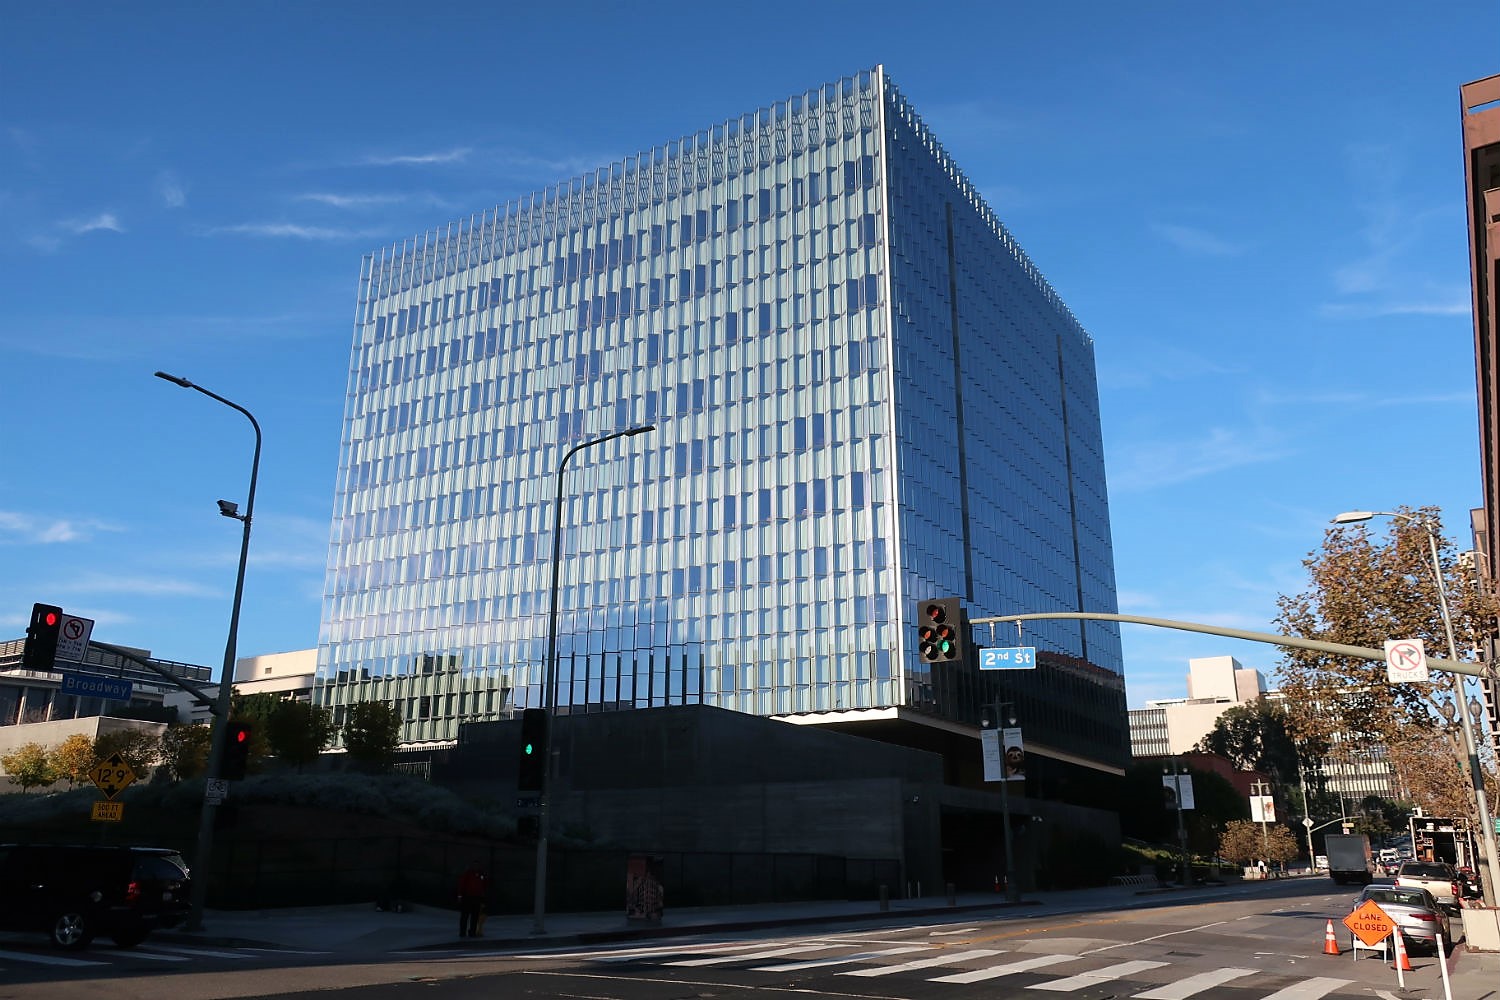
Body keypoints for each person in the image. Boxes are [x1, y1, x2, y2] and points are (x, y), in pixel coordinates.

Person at [456, 859, 488, 937]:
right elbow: (461, 884)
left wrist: (483, 895)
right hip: (467, 897)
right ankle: (462, 932)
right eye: (475, 865)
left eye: (478, 865)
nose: (476, 867)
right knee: (465, 916)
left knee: (475, 916)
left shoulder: (481, 874)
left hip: (477, 897)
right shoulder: (468, 874)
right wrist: (460, 896)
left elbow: (484, 885)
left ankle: (472, 932)